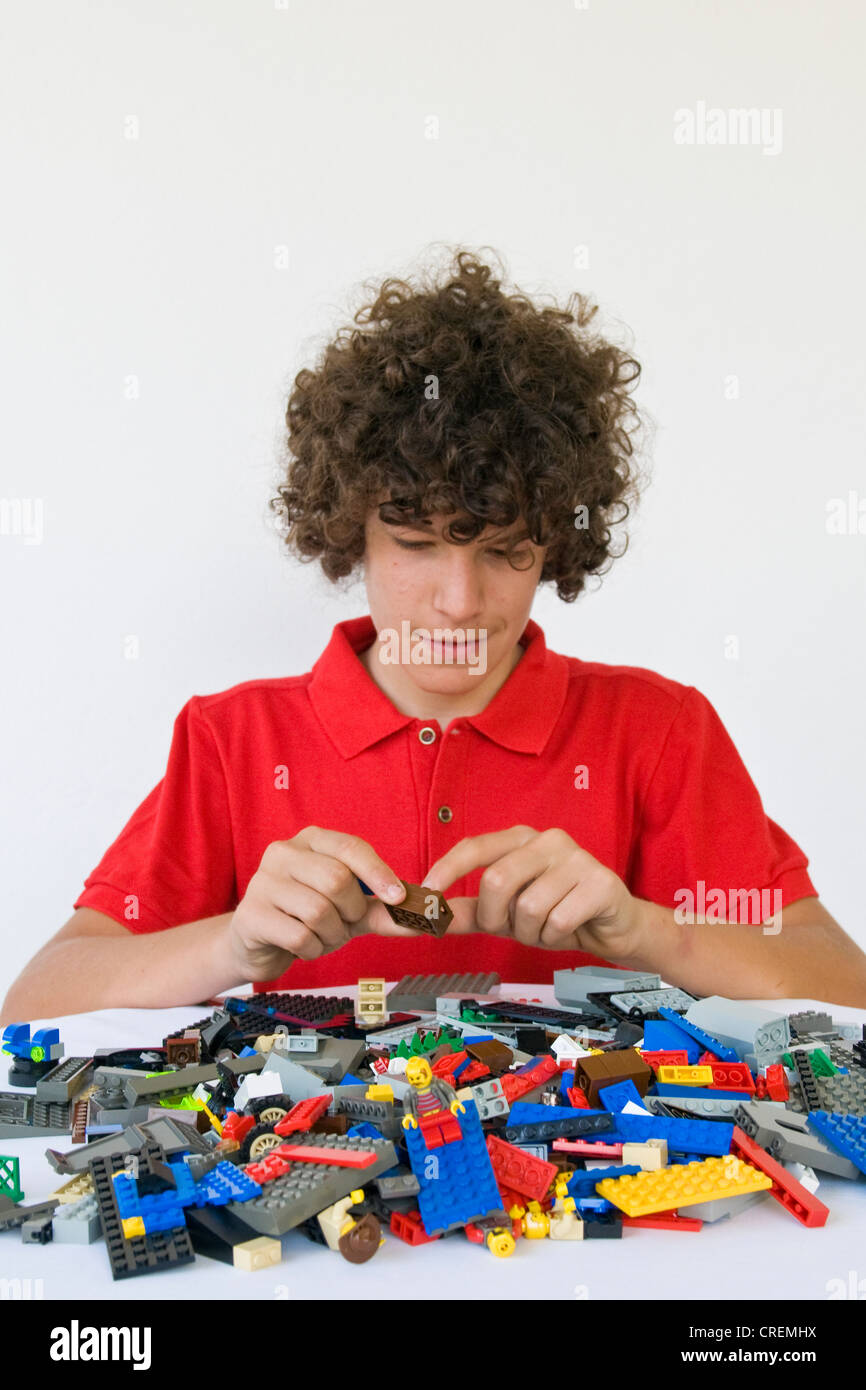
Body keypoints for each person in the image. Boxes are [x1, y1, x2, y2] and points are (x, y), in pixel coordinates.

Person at [4, 248, 866, 1023]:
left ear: (555, 546)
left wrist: (643, 930)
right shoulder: (233, 743)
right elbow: (37, 1002)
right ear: (350, 531)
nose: (460, 602)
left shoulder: (659, 733)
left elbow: (843, 984)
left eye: (505, 552)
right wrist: (234, 945)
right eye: (417, 545)